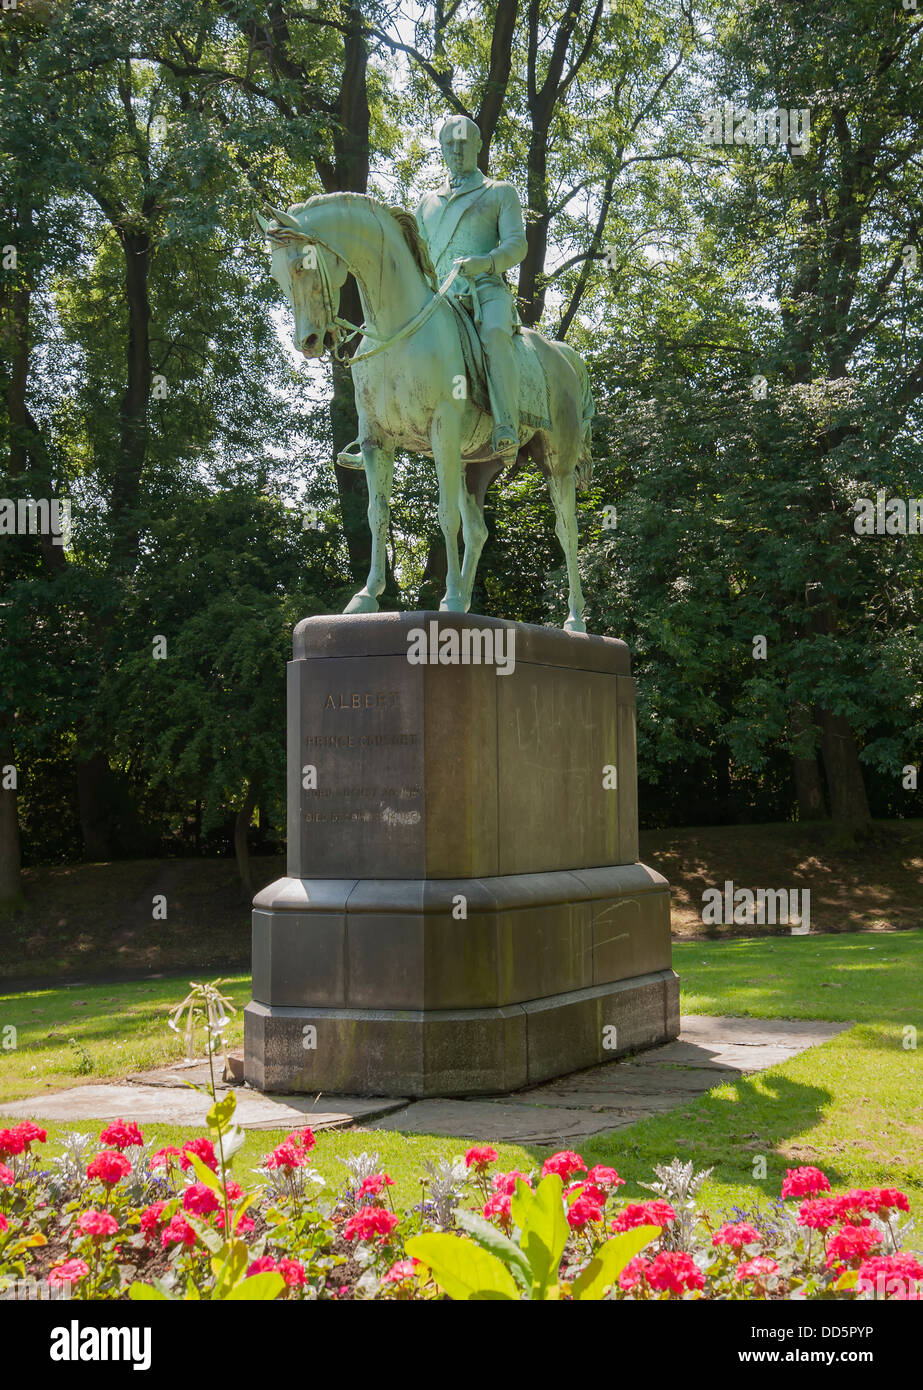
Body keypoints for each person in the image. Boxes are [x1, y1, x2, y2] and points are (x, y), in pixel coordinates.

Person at [415, 115, 528, 459]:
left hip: (484, 291)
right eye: (450, 143)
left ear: (479, 146)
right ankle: (377, 431)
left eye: (464, 143)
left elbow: (517, 245)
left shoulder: (499, 193)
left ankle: (506, 422)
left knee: (495, 333)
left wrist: (486, 262)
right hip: (438, 299)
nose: (457, 149)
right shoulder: (426, 203)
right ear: (442, 149)